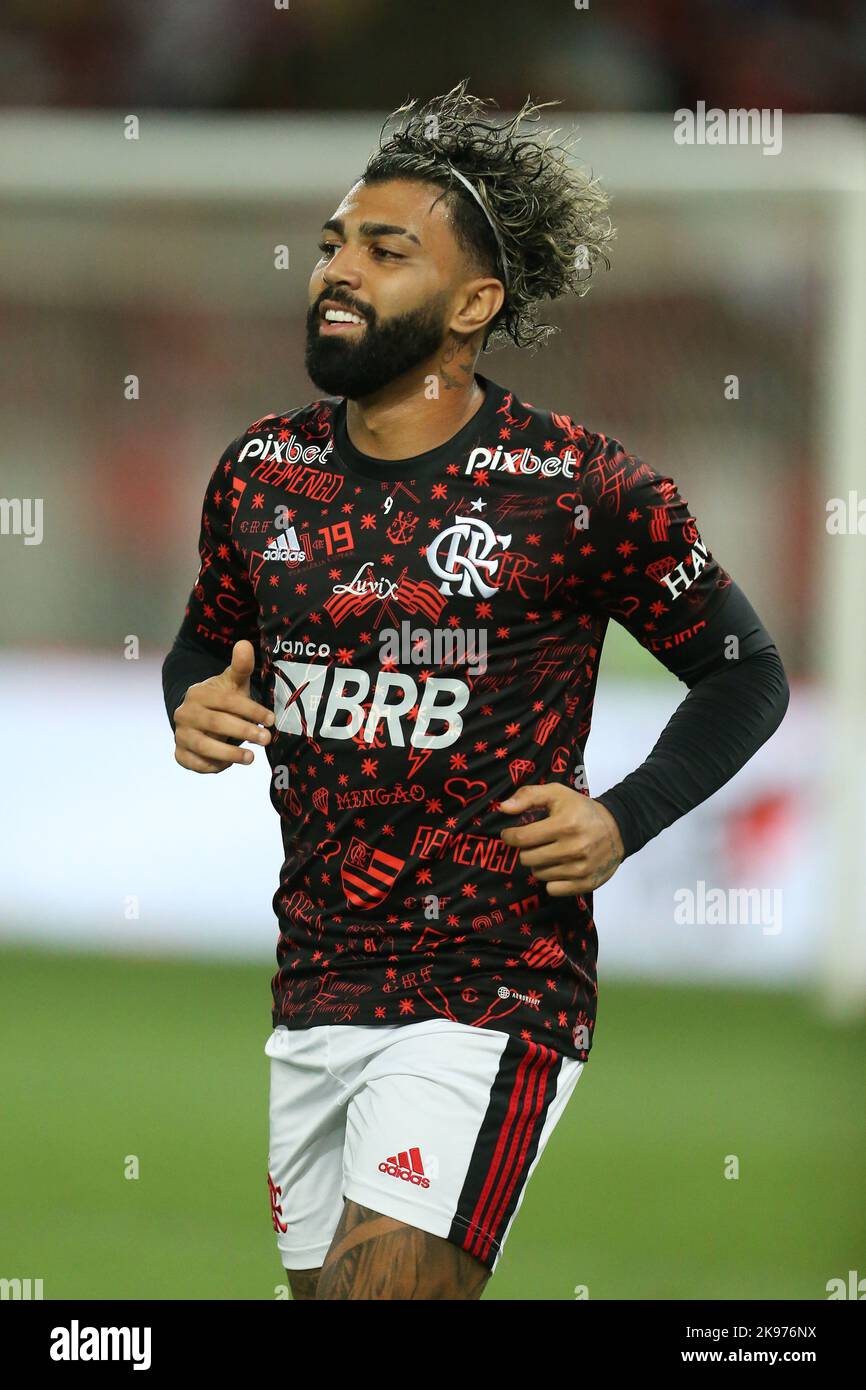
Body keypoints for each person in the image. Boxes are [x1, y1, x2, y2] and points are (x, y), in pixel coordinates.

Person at [161, 81, 789, 1300]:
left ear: (472, 304)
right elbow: (204, 647)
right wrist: (191, 701)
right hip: (316, 980)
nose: (337, 270)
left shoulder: (578, 485)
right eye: (334, 242)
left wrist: (626, 813)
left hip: (492, 986)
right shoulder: (261, 472)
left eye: (384, 252)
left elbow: (742, 669)